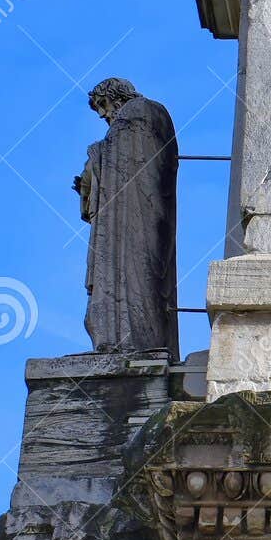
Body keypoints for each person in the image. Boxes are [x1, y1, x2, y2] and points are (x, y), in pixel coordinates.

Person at [74, 78, 179, 355]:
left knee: (135, 274)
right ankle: (114, 339)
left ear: (117, 96)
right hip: (121, 215)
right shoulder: (134, 120)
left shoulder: (142, 111)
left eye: (104, 105)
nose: (102, 114)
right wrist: (93, 174)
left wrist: (96, 159)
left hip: (135, 218)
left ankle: (133, 342)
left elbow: (132, 161)